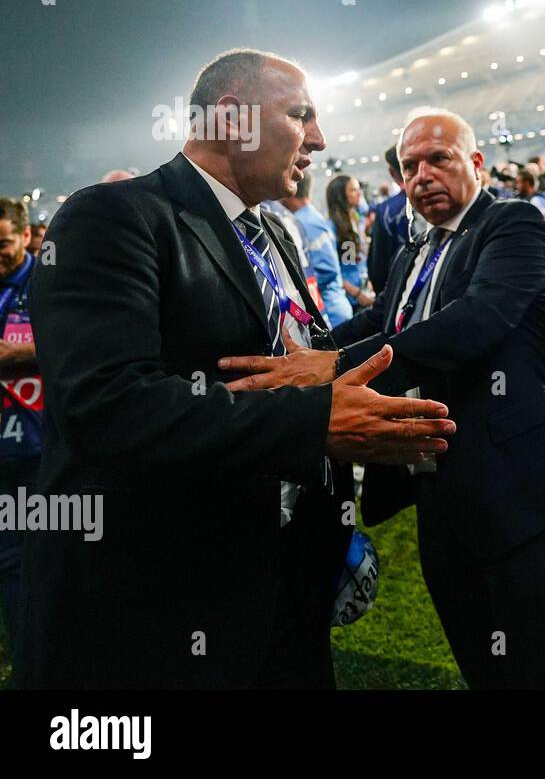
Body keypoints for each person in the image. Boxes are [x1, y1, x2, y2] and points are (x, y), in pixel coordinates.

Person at [17, 48, 454, 688]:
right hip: (164, 601)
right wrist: (315, 424)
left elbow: (294, 369)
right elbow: (106, 407)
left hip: (283, 584)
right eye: (300, 114)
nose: (319, 139)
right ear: (232, 118)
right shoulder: (110, 216)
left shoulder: (271, 233)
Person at [220, 109, 545, 689]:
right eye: (409, 166)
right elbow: (383, 317)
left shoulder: (511, 223)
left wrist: (336, 365)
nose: (421, 175)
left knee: (542, 671)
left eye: (438, 159)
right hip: (436, 485)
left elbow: (475, 322)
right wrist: (300, 355)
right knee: (483, 663)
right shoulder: (410, 249)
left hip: (511, 483)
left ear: (476, 164)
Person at [0, 198, 41, 649]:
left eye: (4, 243)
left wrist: (21, 354)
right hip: (5, 452)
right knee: (10, 561)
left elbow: (87, 346)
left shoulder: (51, 280)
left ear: (26, 236)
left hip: (42, 447)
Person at [277, 170, 352, 329]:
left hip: (331, 311)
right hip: (338, 304)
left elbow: (328, 270)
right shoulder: (312, 217)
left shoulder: (303, 223)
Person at [326, 174, 372, 312]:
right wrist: (356, 294)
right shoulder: (331, 227)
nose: (359, 193)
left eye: (358, 189)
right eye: (353, 190)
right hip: (348, 300)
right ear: (341, 195)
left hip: (363, 291)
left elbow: (355, 261)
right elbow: (333, 272)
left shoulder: (356, 220)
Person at [367, 144, 409, 296]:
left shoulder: (384, 211)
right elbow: (348, 262)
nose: (358, 195)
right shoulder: (342, 227)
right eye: (353, 190)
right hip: (356, 290)